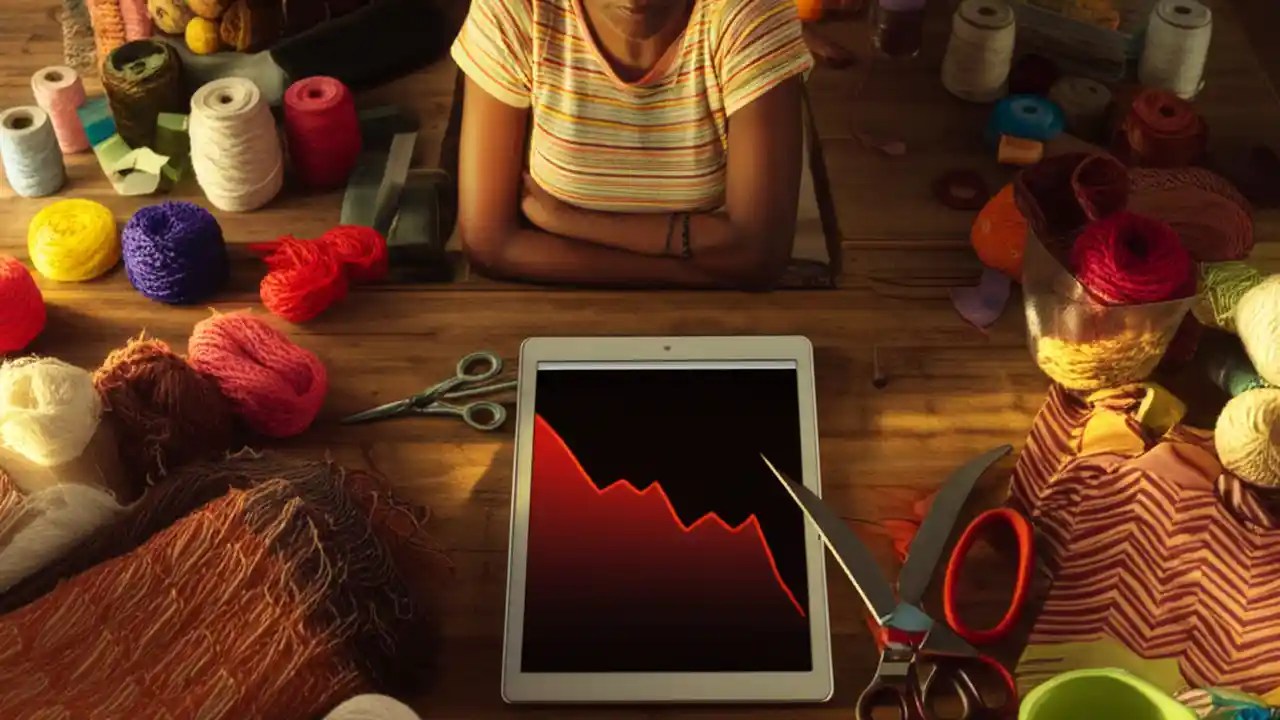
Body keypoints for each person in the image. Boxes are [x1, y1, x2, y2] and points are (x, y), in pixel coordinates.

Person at [450, 0, 816, 288]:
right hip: (551, 306)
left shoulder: (748, 12)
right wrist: (697, 272)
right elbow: (490, 244)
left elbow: (759, 251)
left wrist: (572, 221)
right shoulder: (516, 10)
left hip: (715, 316)